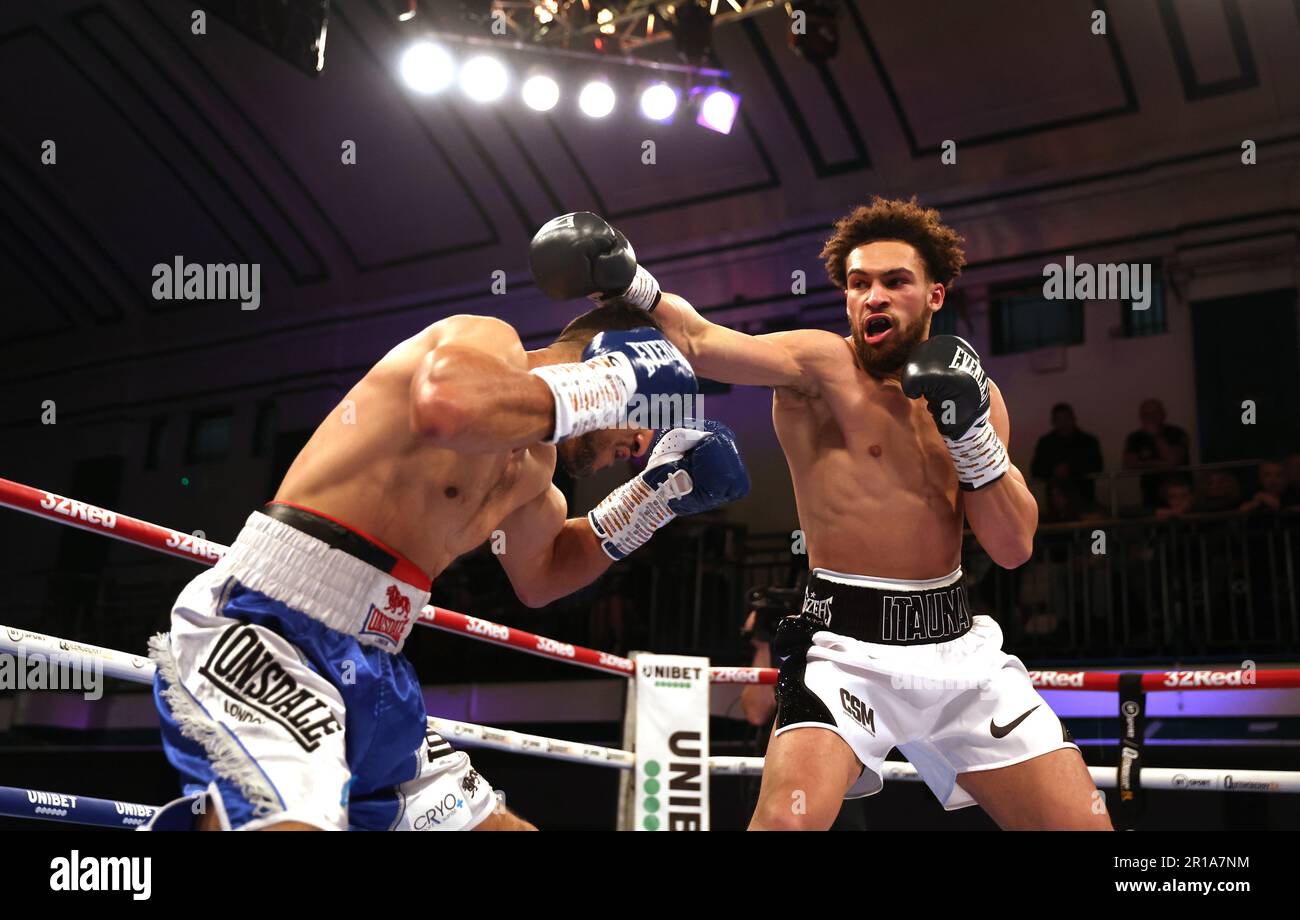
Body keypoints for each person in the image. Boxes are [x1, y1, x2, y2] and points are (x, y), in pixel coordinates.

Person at [530, 204, 1109, 830]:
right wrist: (626, 280)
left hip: (957, 648)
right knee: (785, 823)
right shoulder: (821, 365)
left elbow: (1013, 546)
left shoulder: (979, 396)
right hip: (845, 650)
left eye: (895, 281)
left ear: (935, 294)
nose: (873, 297)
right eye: (859, 284)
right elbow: (701, 342)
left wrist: (971, 437)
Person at [144, 302, 751, 831]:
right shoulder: (486, 341)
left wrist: (655, 497)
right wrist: (613, 382)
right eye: (646, 406)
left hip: (377, 660)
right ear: (610, 356)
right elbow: (448, 406)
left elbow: (543, 577)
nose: (642, 441)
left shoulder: (538, 482)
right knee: (296, 820)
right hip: (272, 622)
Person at [740, 585, 868, 830]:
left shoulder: (845, 649)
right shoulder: (782, 651)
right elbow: (757, 712)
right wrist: (763, 643)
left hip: (833, 765)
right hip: (784, 769)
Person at [1122, 398, 1190, 509]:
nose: (1150, 417)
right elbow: (1129, 464)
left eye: (1154, 413)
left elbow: (1173, 461)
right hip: (1151, 494)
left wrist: (1156, 436)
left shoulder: (1177, 432)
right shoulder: (1135, 437)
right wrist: (1159, 464)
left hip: (1180, 493)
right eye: (1146, 414)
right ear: (1141, 416)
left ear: (1163, 414)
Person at [1029, 403, 1104, 504]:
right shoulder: (1046, 443)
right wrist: (1055, 471)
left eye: (1066, 419)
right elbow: (1035, 470)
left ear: (1073, 419)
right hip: (1057, 504)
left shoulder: (1088, 441)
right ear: (1054, 422)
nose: (1063, 423)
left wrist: (1071, 469)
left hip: (1084, 498)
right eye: (1059, 420)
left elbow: (1098, 465)